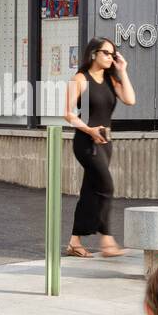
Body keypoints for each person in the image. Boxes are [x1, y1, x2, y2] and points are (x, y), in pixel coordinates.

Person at [64, 36, 135, 258]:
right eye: (106, 53)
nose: (110, 57)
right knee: (107, 186)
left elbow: (130, 100)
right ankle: (107, 240)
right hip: (86, 142)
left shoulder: (111, 80)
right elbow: (67, 114)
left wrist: (122, 70)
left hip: (105, 143)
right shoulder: (80, 79)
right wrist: (89, 130)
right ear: (93, 53)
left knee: (89, 191)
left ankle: (74, 242)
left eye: (113, 54)